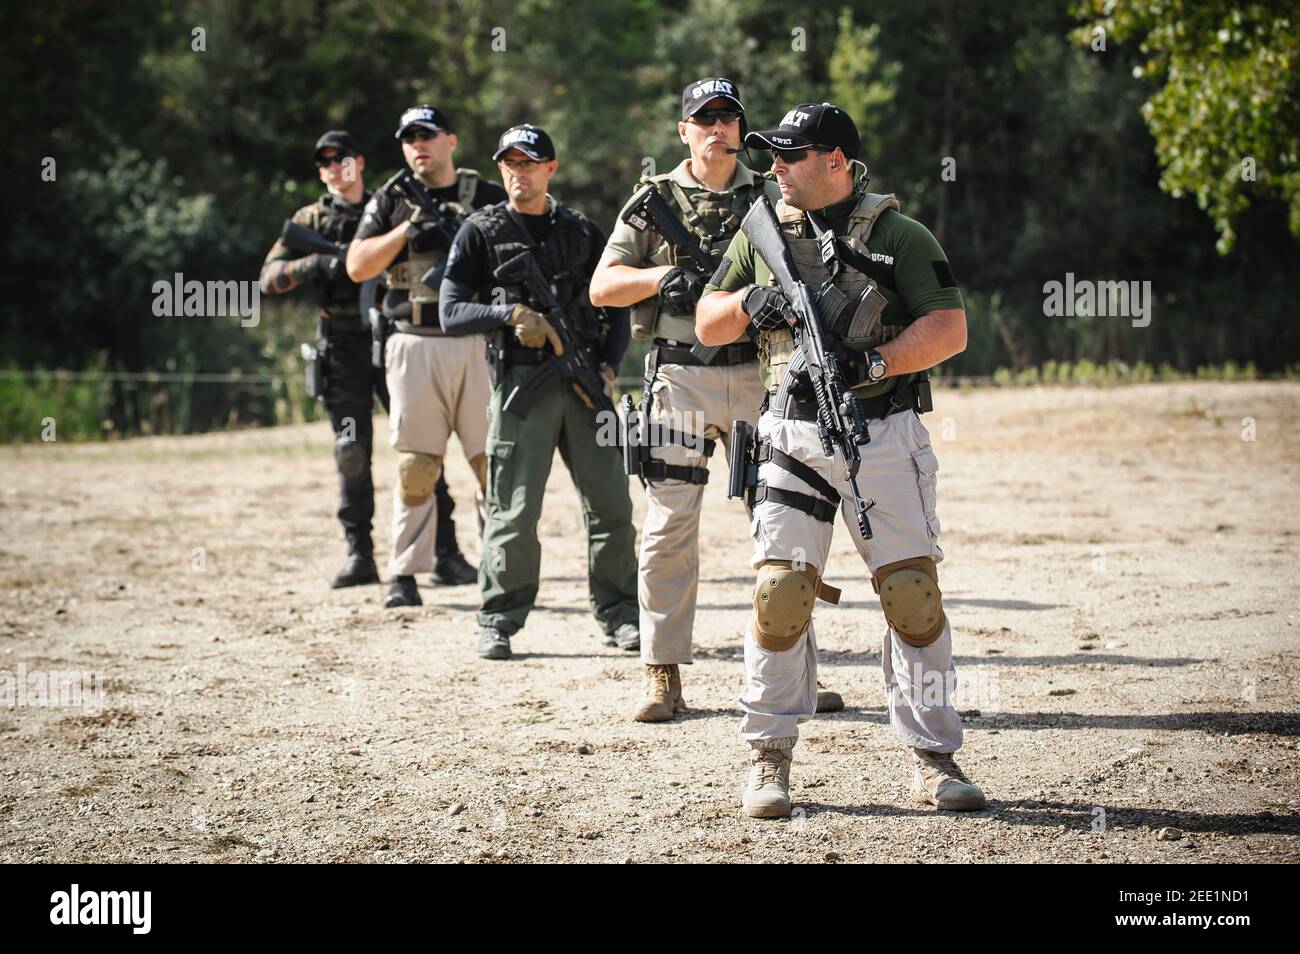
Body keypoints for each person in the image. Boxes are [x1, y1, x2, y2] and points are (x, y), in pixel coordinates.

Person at [696, 102, 987, 817]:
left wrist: (875, 361)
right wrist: (750, 302)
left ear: (835, 161)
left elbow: (949, 328)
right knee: (780, 597)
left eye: (790, 156)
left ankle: (933, 759)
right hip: (790, 435)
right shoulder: (759, 228)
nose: (774, 169)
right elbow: (706, 321)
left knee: (912, 596)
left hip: (881, 431)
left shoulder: (900, 234)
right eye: (772, 156)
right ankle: (769, 758)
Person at [590, 78, 843, 723]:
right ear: (684, 130)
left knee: (787, 525)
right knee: (670, 525)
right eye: (704, 119)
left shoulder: (770, 195)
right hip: (679, 379)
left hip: (763, 376)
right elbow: (603, 286)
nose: (718, 129)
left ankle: (798, 672)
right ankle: (662, 673)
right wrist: (661, 277)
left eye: (729, 118)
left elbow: (817, 264)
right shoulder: (653, 202)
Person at [439, 123, 640, 660]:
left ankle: (622, 614)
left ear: (551, 168)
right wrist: (508, 314)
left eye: (529, 163)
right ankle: (499, 618)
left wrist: (610, 366)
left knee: (612, 507)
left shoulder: (580, 231)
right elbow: (450, 310)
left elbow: (615, 304)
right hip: (520, 386)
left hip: (586, 387)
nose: (518, 173)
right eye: (509, 163)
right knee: (513, 511)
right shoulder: (479, 231)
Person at [260, 130, 469, 590]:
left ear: (359, 161)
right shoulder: (309, 218)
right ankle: (360, 554)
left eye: (341, 159)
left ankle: (446, 552)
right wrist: (314, 265)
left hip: (392, 338)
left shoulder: (388, 206)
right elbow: (268, 278)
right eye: (324, 163)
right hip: (341, 344)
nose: (334, 169)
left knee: (421, 449)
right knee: (351, 452)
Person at [345, 106, 507, 608]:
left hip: (476, 341)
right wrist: (407, 233)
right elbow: (356, 266)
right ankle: (404, 573)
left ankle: (499, 573)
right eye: (409, 138)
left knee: (490, 464)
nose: (419, 145)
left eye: (428, 136)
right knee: (417, 465)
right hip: (413, 340)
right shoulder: (391, 199)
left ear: (451, 141)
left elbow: (518, 252)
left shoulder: (484, 195)